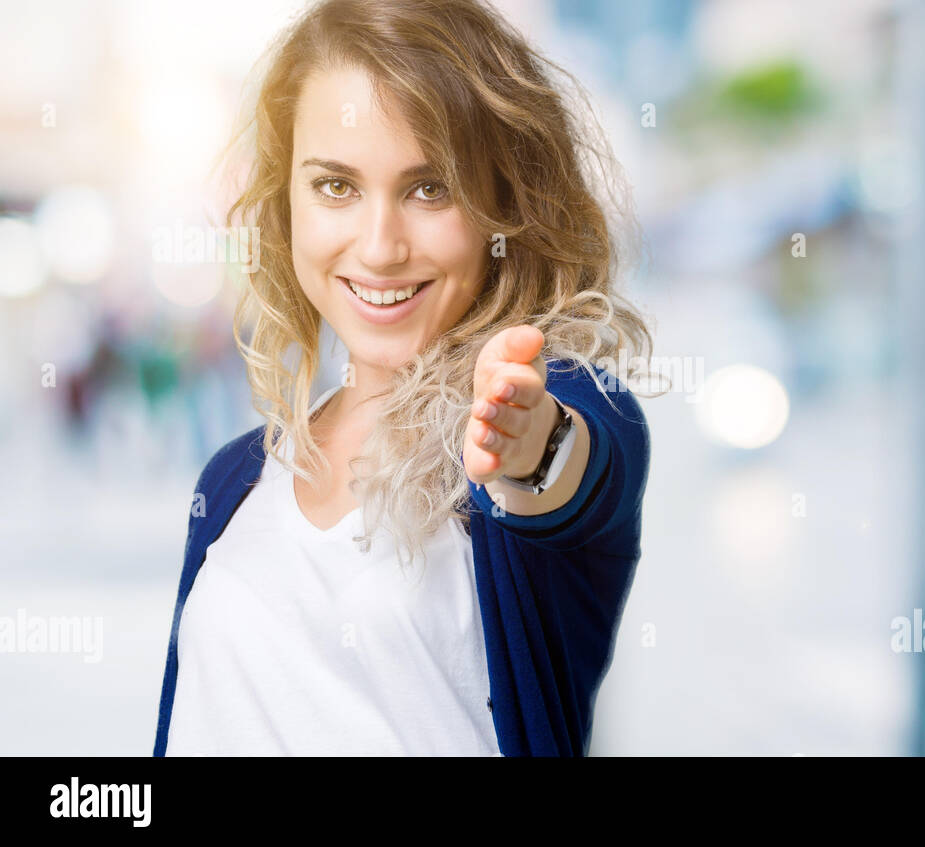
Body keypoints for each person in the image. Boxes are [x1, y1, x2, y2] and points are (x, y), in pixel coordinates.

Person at [153, 0, 655, 756]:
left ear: (502, 205)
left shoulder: (558, 404)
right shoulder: (230, 484)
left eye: (431, 188)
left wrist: (525, 440)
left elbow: (569, 465)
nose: (381, 247)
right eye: (335, 186)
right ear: (287, 200)